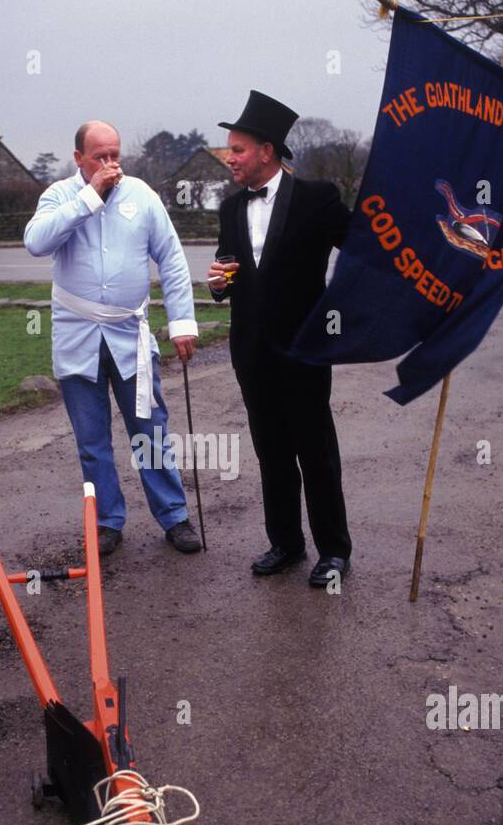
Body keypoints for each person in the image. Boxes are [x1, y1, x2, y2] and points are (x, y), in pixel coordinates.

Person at [24, 120, 201, 555]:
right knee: (92, 439)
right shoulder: (59, 196)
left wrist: (182, 323)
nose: (110, 164)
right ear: (79, 158)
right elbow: (36, 242)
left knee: (150, 431)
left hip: (130, 334)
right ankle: (106, 520)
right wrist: (89, 197)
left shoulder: (142, 196)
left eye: (115, 155)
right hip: (77, 335)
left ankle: (174, 514)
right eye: (100, 156)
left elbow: (173, 261)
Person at [208, 90, 352, 588]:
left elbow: (361, 249)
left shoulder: (318, 198)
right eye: (230, 150)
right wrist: (217, 285)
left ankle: (333, 550)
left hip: (304, 351)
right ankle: (286, 544)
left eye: (238, 149)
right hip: (251, 352)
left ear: (266, 150)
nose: (230, 158)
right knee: (271, 451)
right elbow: (226, 278)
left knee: (315, 451)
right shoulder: (230, 209)